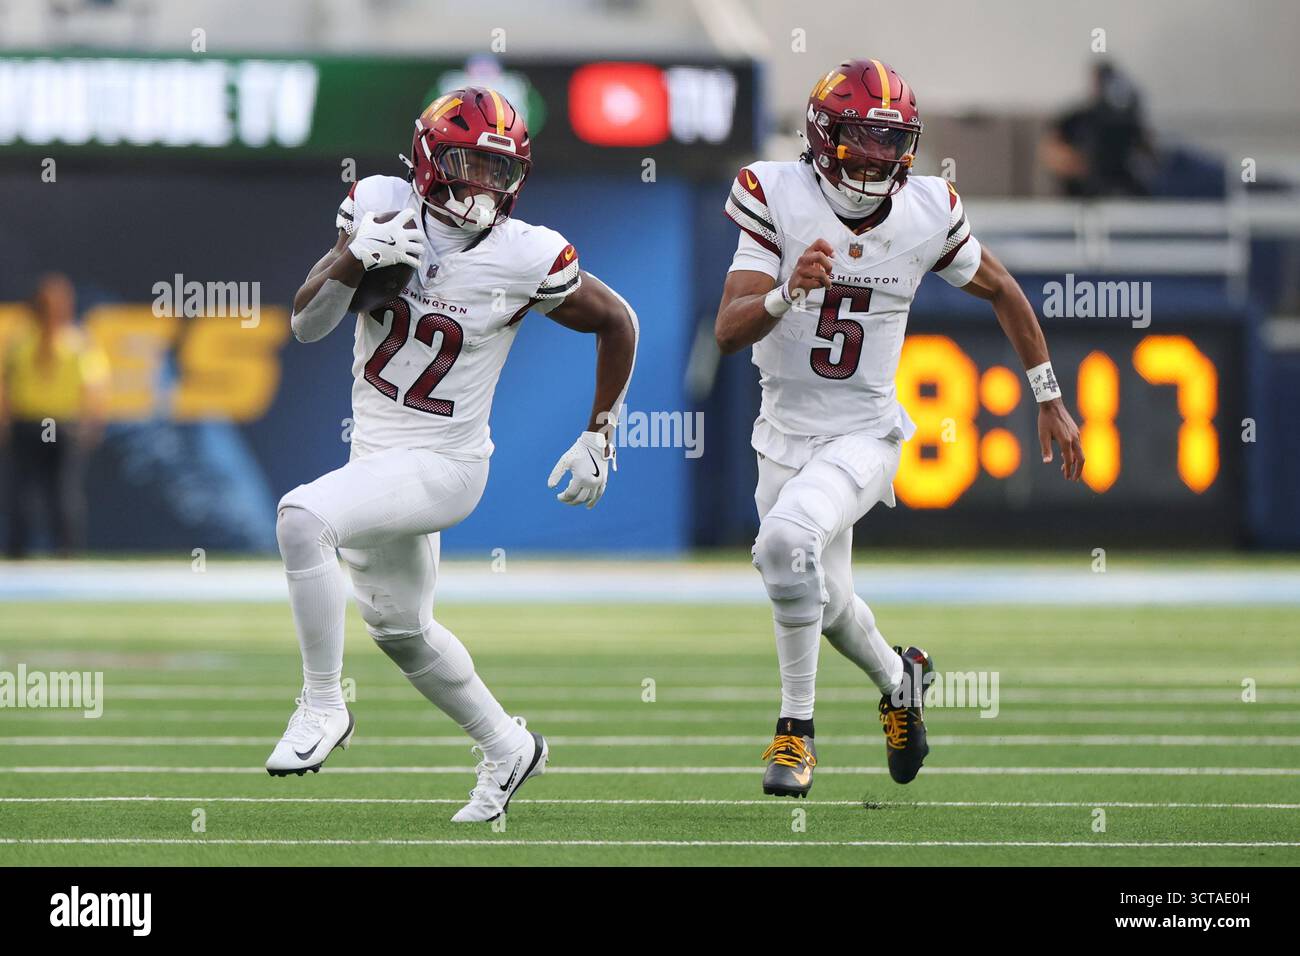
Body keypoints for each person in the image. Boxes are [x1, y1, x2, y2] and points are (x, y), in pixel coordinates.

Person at [267, 88, 639, 822]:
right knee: (401, 631)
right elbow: (307, 325)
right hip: (378, 455)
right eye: (470, 164)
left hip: (447, 464)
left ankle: (321, 705)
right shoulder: (380, 205)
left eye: (500, 172)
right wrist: (352, 256)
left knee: (302, 519)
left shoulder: (523, 254)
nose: (483, 187)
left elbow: (617, 321)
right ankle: (509, 746)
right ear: (432, 160)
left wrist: (601, 432)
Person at [715, 60, 1084, 797]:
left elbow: (1003, 289)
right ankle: (900, 680)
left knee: (785, 546)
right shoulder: (773, 193)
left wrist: (1048, 396)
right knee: (825, 601)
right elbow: (728, 330)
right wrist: (789, 291)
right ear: (824, 137)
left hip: (864, 432)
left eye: (892, 142)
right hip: (782, 431)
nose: (879, 158)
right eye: (863, 140)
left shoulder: (927, 209)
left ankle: (795, 734)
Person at [1, 273, 108, 558]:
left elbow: (6, 388)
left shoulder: (21, 341)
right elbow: (94, 388)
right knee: (63, 490)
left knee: (24, 490)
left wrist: (5, 422)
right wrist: (92, 425)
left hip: (28, 425)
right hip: (60, 426)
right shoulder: (76, 342)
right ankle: (66, 553)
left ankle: (18, 553)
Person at [1039, 62, 1155, 197]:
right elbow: (1051, 152)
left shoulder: (1126, 119)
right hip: (1082, 192)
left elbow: (1146, 152)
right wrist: (1079, 164)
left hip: (1122, 188)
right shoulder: (1077, 119)